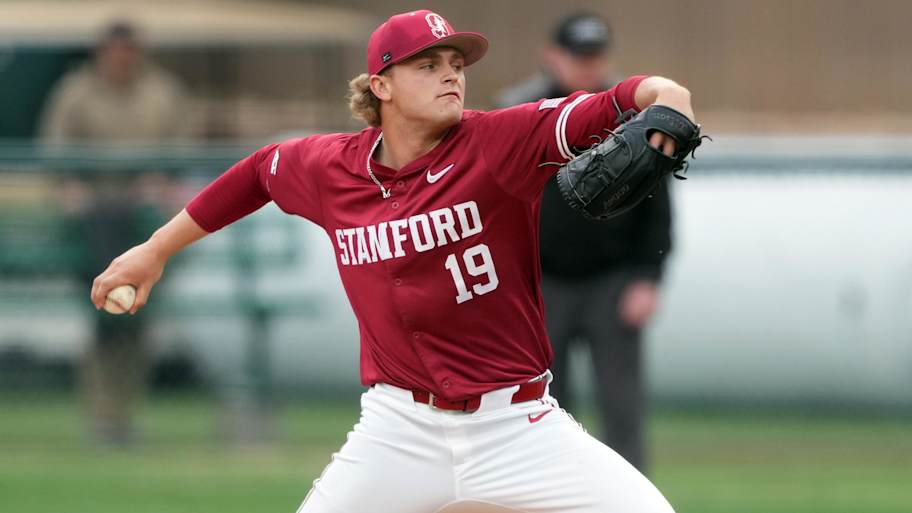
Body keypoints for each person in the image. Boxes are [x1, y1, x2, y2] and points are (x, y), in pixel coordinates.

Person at [91, 10, 695, 512]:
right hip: (397, 429)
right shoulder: (331, 168)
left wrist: (669, 98)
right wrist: (153, 250)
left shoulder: (500, 142)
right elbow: (256, 174)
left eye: (456, 65)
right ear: (380, 85)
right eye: (428, 65)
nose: (450, 76)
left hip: (515, 426)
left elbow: (621, 97)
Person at [495, 12, 672, 472]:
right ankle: (551, 495)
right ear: (552, 56)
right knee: (543, 408)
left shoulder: (633, 115)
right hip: (540, 282)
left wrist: (648, 276)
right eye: (578, 56)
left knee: (622, 404)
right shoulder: (517, 112)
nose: (587, 66)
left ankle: (630, 499)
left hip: (612, 280)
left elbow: (658, 204)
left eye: (595, 56)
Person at [41, 20, 189, 446]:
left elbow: (179, 152)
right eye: (115, 51)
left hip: (146, 224)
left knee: (137, 321)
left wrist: (160, 182)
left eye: (130, 51)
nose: (122, 59)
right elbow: (55, 153)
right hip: (94, 222)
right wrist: (72, 190)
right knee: (103, 319)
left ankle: (123, 414)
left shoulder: (163, 92)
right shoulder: (76, 92)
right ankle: (103, 415)